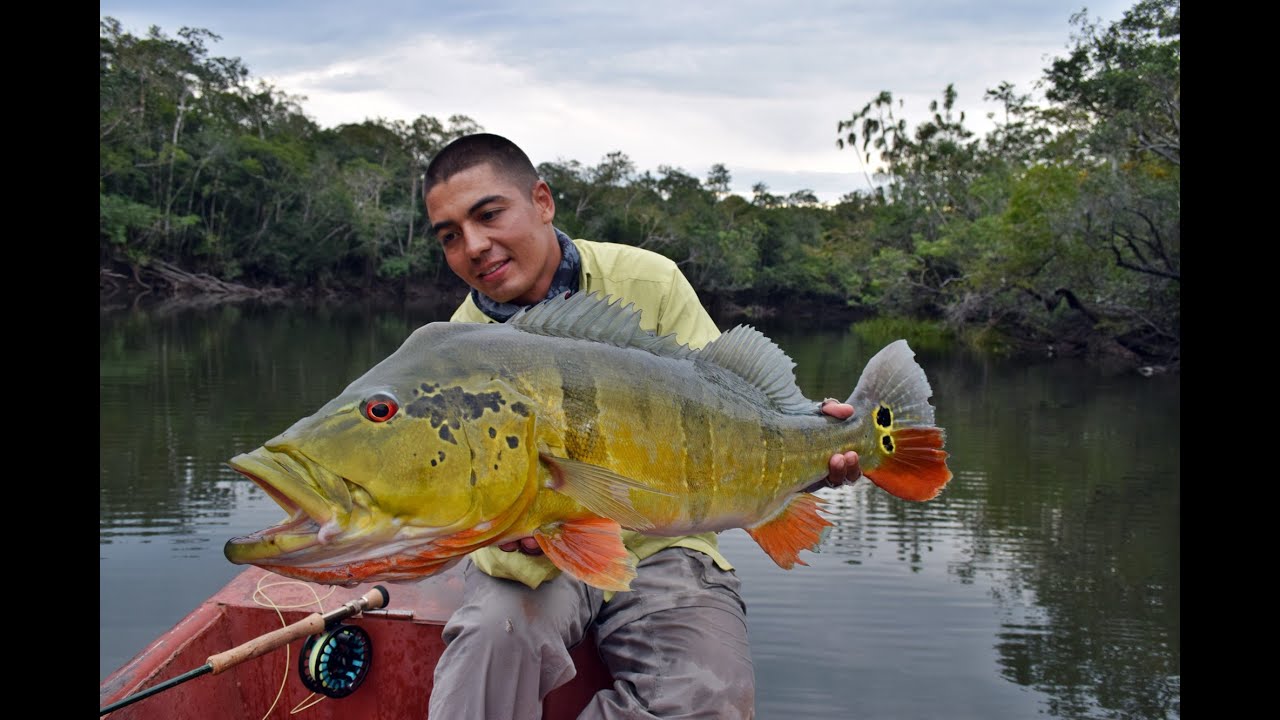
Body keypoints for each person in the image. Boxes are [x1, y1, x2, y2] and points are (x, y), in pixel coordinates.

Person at [422, 132, 862, 719]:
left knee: (712, 694)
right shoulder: (452, 351)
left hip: (665, 542)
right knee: (488, 642)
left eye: (488, 215)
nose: (474, 246)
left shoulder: (649, 282)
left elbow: (732, 406)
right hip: (538, 555)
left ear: (542, 202)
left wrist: (808, 433)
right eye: (450, 236)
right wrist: (488, 528)